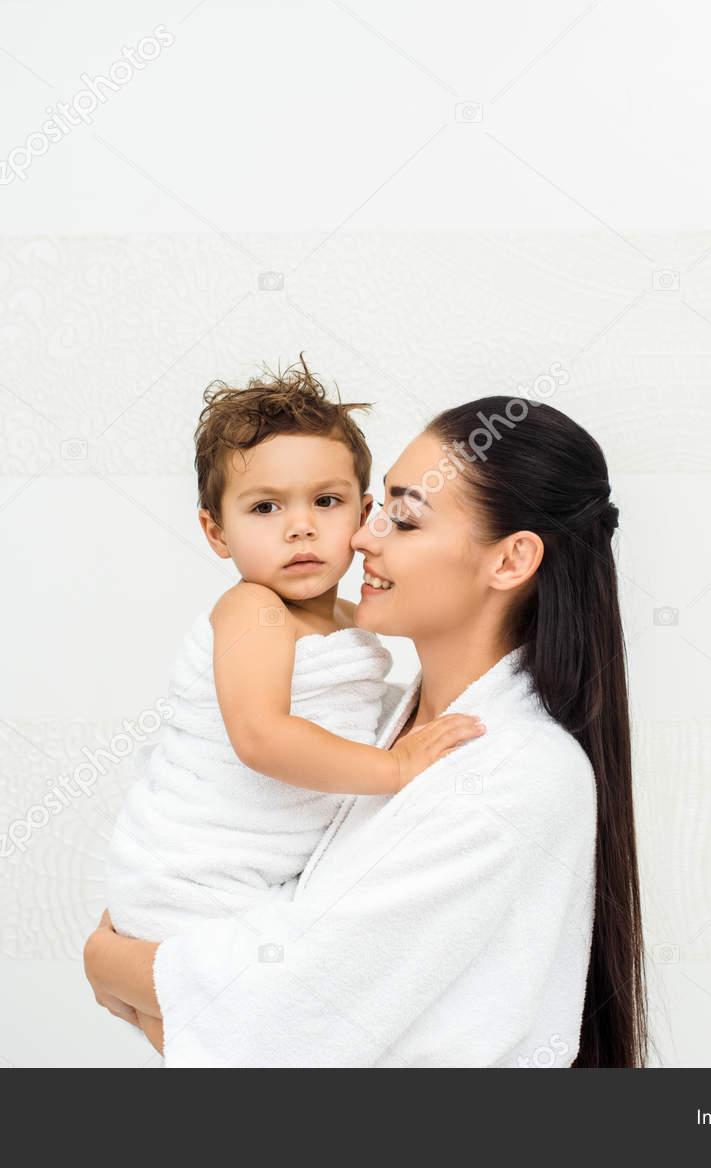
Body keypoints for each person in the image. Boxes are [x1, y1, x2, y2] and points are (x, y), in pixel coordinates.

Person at [86, 396, 648, 1066]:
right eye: (376, 507)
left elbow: (284, 1029)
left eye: (402, 520)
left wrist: (109, 963)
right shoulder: (371, 724)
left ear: (509, 561)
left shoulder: (517, 775)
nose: (359, 538)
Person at [105, 360, 485, 1049]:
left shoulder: (351, 622)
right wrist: (393, 769)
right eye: (265, 507)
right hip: (197, 877)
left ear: (366, 515)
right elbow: (260, 737)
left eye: (327, 502)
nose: (301, 528)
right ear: (215, 532)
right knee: (247, 1045)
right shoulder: (252, 611)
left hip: (265, 882)